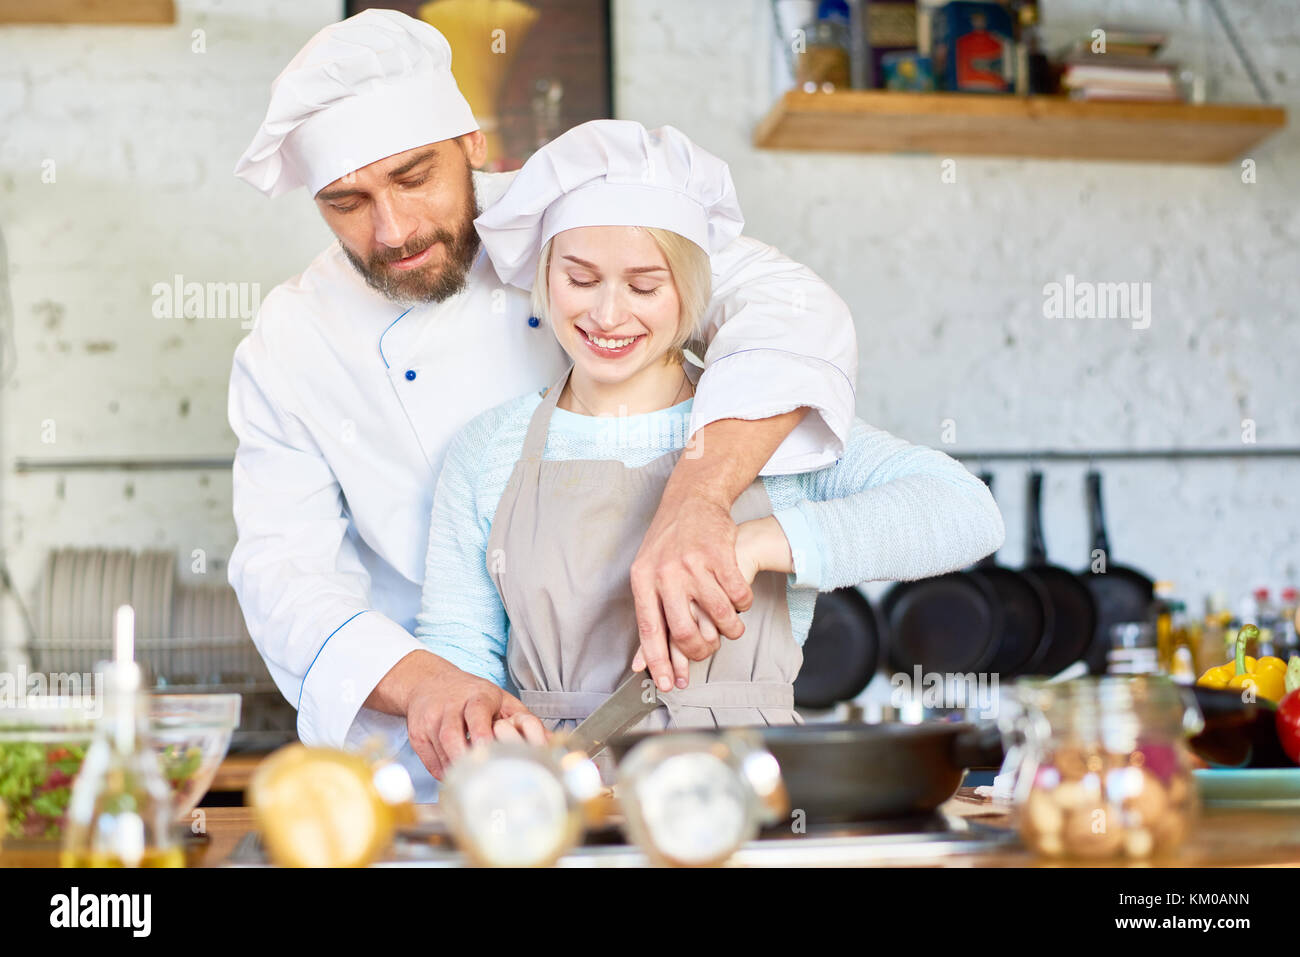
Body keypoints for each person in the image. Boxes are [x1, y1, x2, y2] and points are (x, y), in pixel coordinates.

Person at [226, 10, 857, 799]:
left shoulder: (578, 213)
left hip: (652, 726)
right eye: (346, 201)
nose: (392, 229)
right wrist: (426, 682)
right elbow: (282, 567)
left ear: (472, 145)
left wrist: (699, 499)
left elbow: (795, 312)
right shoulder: (294, 336)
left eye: (415, 177)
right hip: (431, 752)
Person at [415, 120, 1006, 776]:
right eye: (580, 278)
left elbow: (966, 510)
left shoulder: (766, 429)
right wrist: (482, 727)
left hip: (756, 789)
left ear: (692, 292)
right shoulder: (487, 449)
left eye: (645, 286)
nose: (608, 315)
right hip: (564, 794)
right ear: (543, 274)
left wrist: (750, 544)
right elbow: (457, 649)